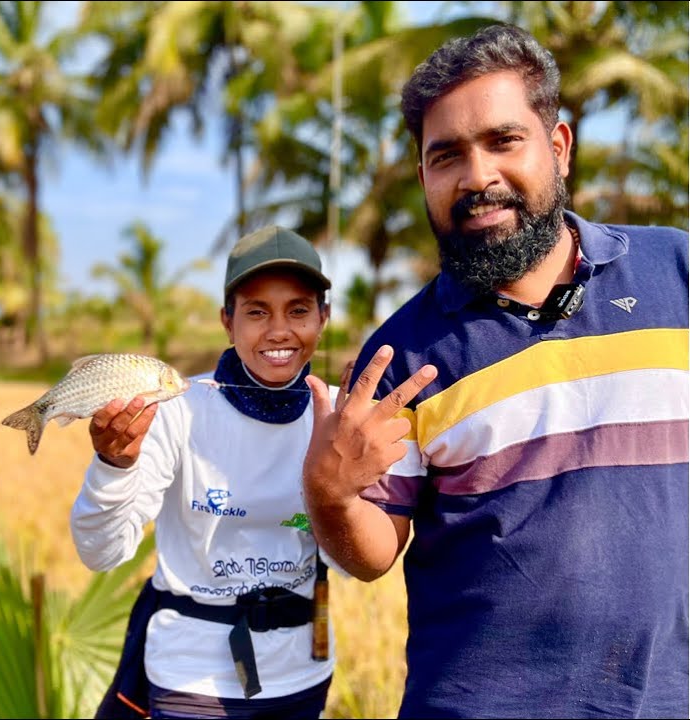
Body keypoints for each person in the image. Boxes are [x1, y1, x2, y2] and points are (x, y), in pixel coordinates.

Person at [301, 23, 688, 719]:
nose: (478, 177)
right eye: (447, 155)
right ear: (424, 177)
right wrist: (329, 496)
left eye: (503, 142)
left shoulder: (677, 276)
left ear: (559, 147)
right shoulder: (402, 356)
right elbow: (371, 554)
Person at [73, 226, 340, 720]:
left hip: (304, 674)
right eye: (257, 311)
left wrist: (339, 490)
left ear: (324, 317)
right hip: (191, 677)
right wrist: (113, 465)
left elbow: (352, 565)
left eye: (299, 310)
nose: (279, 330)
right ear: (227, 321)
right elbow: (101, 553)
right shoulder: (177, 407)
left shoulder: (336, 416)